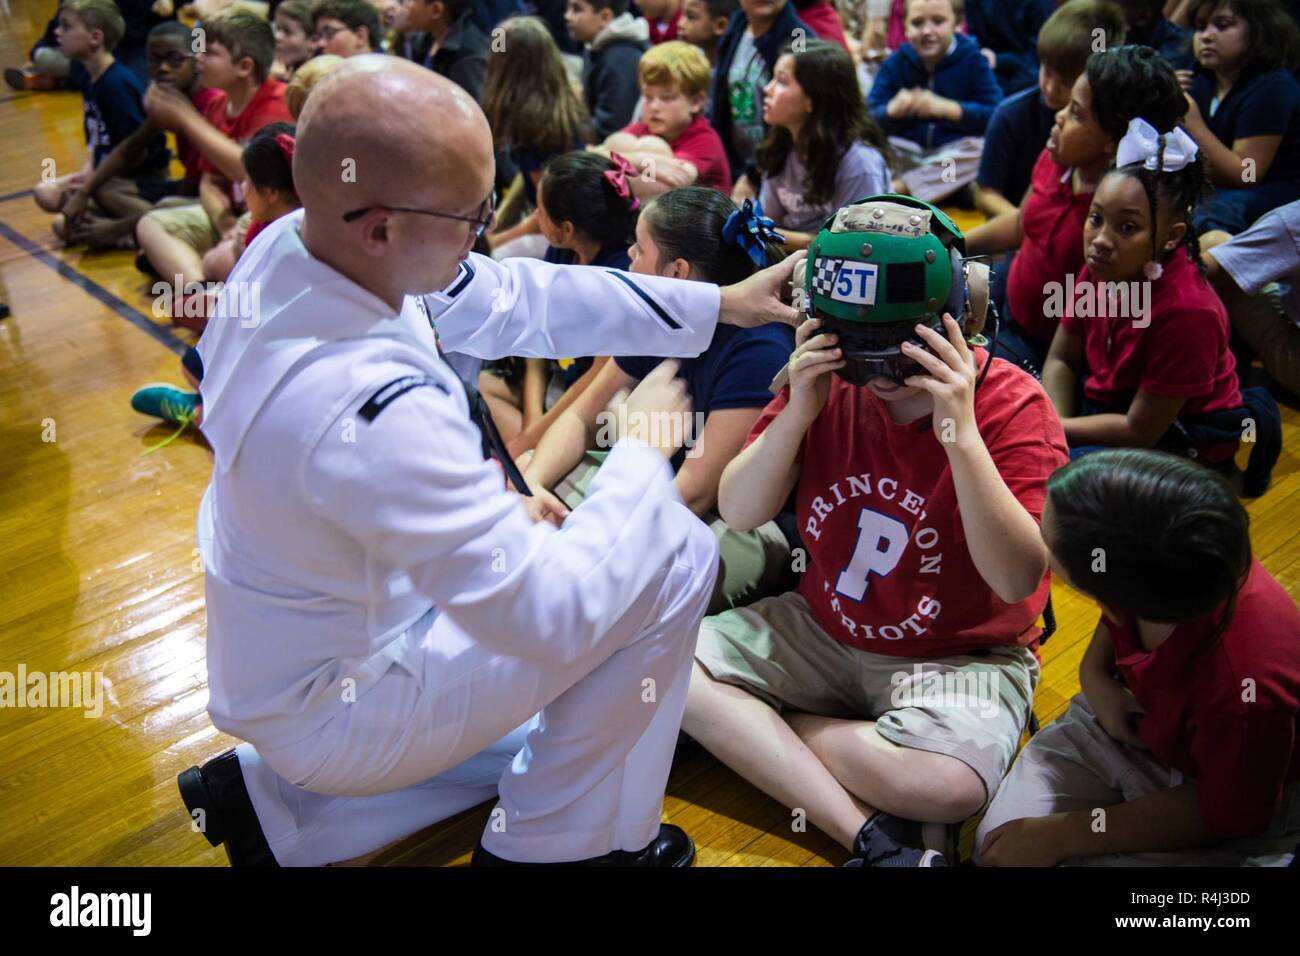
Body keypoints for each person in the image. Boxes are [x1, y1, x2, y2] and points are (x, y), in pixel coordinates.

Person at [174, 55, 800, 868]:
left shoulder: (296, 247)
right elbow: (551, 616)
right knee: (670, 554)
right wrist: (640, 460)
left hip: (296, 659)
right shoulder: (365, 401)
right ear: (382, 225)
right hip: (343, 700)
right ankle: (560, 847)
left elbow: (513, 298)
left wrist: (719, 302)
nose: (485, 236)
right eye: (470, 220)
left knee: (562, 705)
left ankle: (273, 810)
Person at [682, 195, 1068, 867]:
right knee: (663, 668)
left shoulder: (1013, 404)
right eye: (856, 352)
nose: (879, 377)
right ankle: (866, 833)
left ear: (962, 318)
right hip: (826, 627)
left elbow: (1016, 577)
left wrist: (961, 436)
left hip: (958, 654)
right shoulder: (830, 384)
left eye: (899, 353)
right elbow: (740, 510)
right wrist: (799, 411)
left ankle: (772, 735)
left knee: (947, 787)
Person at [977, 450, 1300, 866]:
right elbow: (1118, 603)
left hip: (1230, 791)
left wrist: (1065, 835)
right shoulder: (1185, 563)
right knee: (996, 848)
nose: (1035, 523)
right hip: (1132, 718)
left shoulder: (1247, 689)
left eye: (1043, 529)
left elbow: (1232, 813)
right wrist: (1095, 675)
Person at [520, 187, 797, 615]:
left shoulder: (759, 349)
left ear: (678, 271)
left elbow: (697, 495)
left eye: (639, 247)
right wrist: (534, 483)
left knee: (603, 594)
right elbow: (581, 416)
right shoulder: (660, 317)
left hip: (735, 523)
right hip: (651, 481)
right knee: (522, 486)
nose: (629, 255)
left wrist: (590, 531)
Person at [964, 45, 1189, 376]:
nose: (1058, 116)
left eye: (1076, 114)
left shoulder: (1115, 216)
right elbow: (1021, 225)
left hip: (1045, 346)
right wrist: (953, 240)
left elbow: (1085, 334)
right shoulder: (1059, 160)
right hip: (1011, 301)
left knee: (969, 376)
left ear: (1113, 141)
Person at [135, 10, 292, 322]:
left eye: (209, 52)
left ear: (244, 66)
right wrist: (222, 224)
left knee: (222, 256)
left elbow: (254, 173)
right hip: (232, 216)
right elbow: (210, 182)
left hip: (268, 215)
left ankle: (227, 295)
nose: (198, 58)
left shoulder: (275, 103)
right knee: (150, 224)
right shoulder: (217, 105)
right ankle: (199, 293)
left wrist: (186, 119)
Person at [31, 0, 171, 247]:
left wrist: (93, 181)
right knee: (46, 193)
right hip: (108, 174)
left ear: (95, 37)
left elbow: (140, 152)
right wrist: (89, 170)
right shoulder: (90, 78)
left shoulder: (116, 84)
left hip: (140, 179)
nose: (57, 32)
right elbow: (101, 140)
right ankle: (123, 225)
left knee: (88, 203)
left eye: (66, 27)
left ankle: (144, 229)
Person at [974, 0, 1128, 220]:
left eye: (1066, 80)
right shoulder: (1010, 114)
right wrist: (1032, 224)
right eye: (1046, 69)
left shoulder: (1111, 128)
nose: (1050, 87)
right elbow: (986, 192)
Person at [751, 38, 892, 247]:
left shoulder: (860, 163)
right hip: (790, 260)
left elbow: (854, 246)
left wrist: (761, 233)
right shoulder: (782, 144)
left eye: (781, 81)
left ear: (813, 99)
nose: (767, 89)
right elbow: (768, 220)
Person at [1179, 0, 1300, 236]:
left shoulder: (1273, 86)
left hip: (1276, 195)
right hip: (1219, 187)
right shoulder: (1199, 77)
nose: (1206, 36)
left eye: (1222, 25)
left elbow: (1247, 175)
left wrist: (1191, 123)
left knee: (1210, 212)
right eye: (1200, 26)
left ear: (1257, 30)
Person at [866, 0, 1002, 203]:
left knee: (981, 151)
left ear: (957, 23)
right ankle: (927, 190)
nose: (927, 31)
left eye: (938, 22)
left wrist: (951, 109)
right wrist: (890, 111)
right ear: (905, 26)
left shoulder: (973, 60)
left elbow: (995, 115)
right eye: (917, 23)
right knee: (863, 148)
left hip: (949, 156)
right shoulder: (895, 63)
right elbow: (866, 119)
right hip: (905, 154)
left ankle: (899, 189)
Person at [600, 40, 733, 196]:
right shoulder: (644, 128)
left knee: (651, 147)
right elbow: (592, 155)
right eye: (648, 97)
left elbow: (675, 179)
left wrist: (621, 161)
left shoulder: (705, 139)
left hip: (699, 218)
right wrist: (642, 159)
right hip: (660, 215)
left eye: (666, 98)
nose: (654, 107)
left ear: (696, 102)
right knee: (620, 141)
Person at [711, 0, 817, 183]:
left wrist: (754, 175)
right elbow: (720, 108)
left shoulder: (799, 38)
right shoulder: (735, 29)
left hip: (780, 173)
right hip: (735, 167)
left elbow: (800, 120)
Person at [567, 0, 650, 139]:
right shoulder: (596, 46)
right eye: (568, 8)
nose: (568, 16)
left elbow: (609, 130)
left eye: (577, 9)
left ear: (605, 17)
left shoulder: (620, 60)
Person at [407, 0, 491, 99]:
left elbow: (471, 111)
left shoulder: (469, 58)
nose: (408, 6)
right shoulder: (425, 40)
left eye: (414, 1)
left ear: (436, 10)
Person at [311, 0, 383, 57]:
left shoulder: (389, 73)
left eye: (328, 33)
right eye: (319, 36)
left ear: (360, 36)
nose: (320, 44)